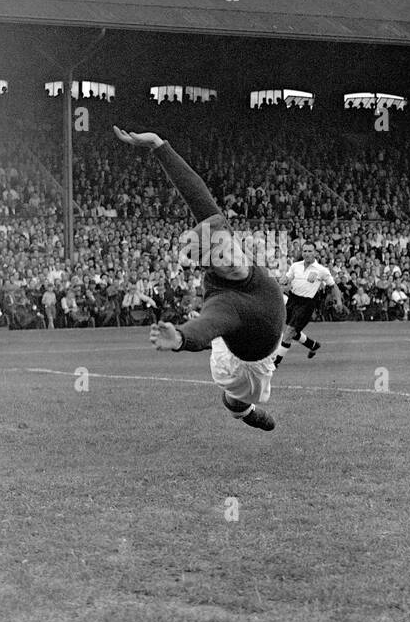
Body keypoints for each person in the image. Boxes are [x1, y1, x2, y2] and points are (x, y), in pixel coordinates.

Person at [113, 126, 285, 431]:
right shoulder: (225, 302)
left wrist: (158, 146)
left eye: (230, 249)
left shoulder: (223, 240)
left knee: (229, 332)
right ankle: (240, 410)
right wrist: (180, 337)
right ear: (212, 265)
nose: (233, 258)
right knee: (243, 396)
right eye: (222, 258)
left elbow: (195, 191)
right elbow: (206, 326)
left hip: (256, 328)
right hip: (242, 364)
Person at [274, 243, 344, 366]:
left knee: (290, 332)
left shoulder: (321, 270)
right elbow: (288, 278)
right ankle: (313, 345)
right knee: (292, 331)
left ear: (315, 253)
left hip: (307, 304)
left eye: (310, 251)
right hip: (293, 300)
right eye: (305, 251)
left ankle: (275, 363)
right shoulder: (295, 266)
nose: (307, 253)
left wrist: (338, 301)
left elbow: (333, 286)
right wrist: (284, 280)